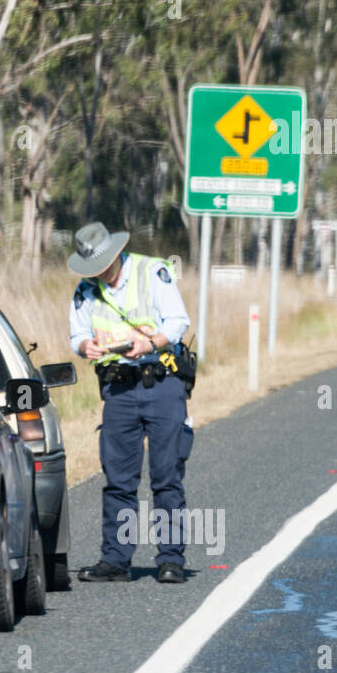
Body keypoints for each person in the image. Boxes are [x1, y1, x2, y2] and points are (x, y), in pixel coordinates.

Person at [67, 222, 193, 583]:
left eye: (103, 264)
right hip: (118, 390)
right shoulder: (85, 291)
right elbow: (77, 333)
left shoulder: (151, 271)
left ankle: (171, 560)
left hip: (161, 383)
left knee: (166, 475)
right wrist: (83, 347)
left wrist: (150, 344)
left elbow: (178, 322)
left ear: (115, 253)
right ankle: (116, 560)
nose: (100, 273)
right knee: (118, 479)